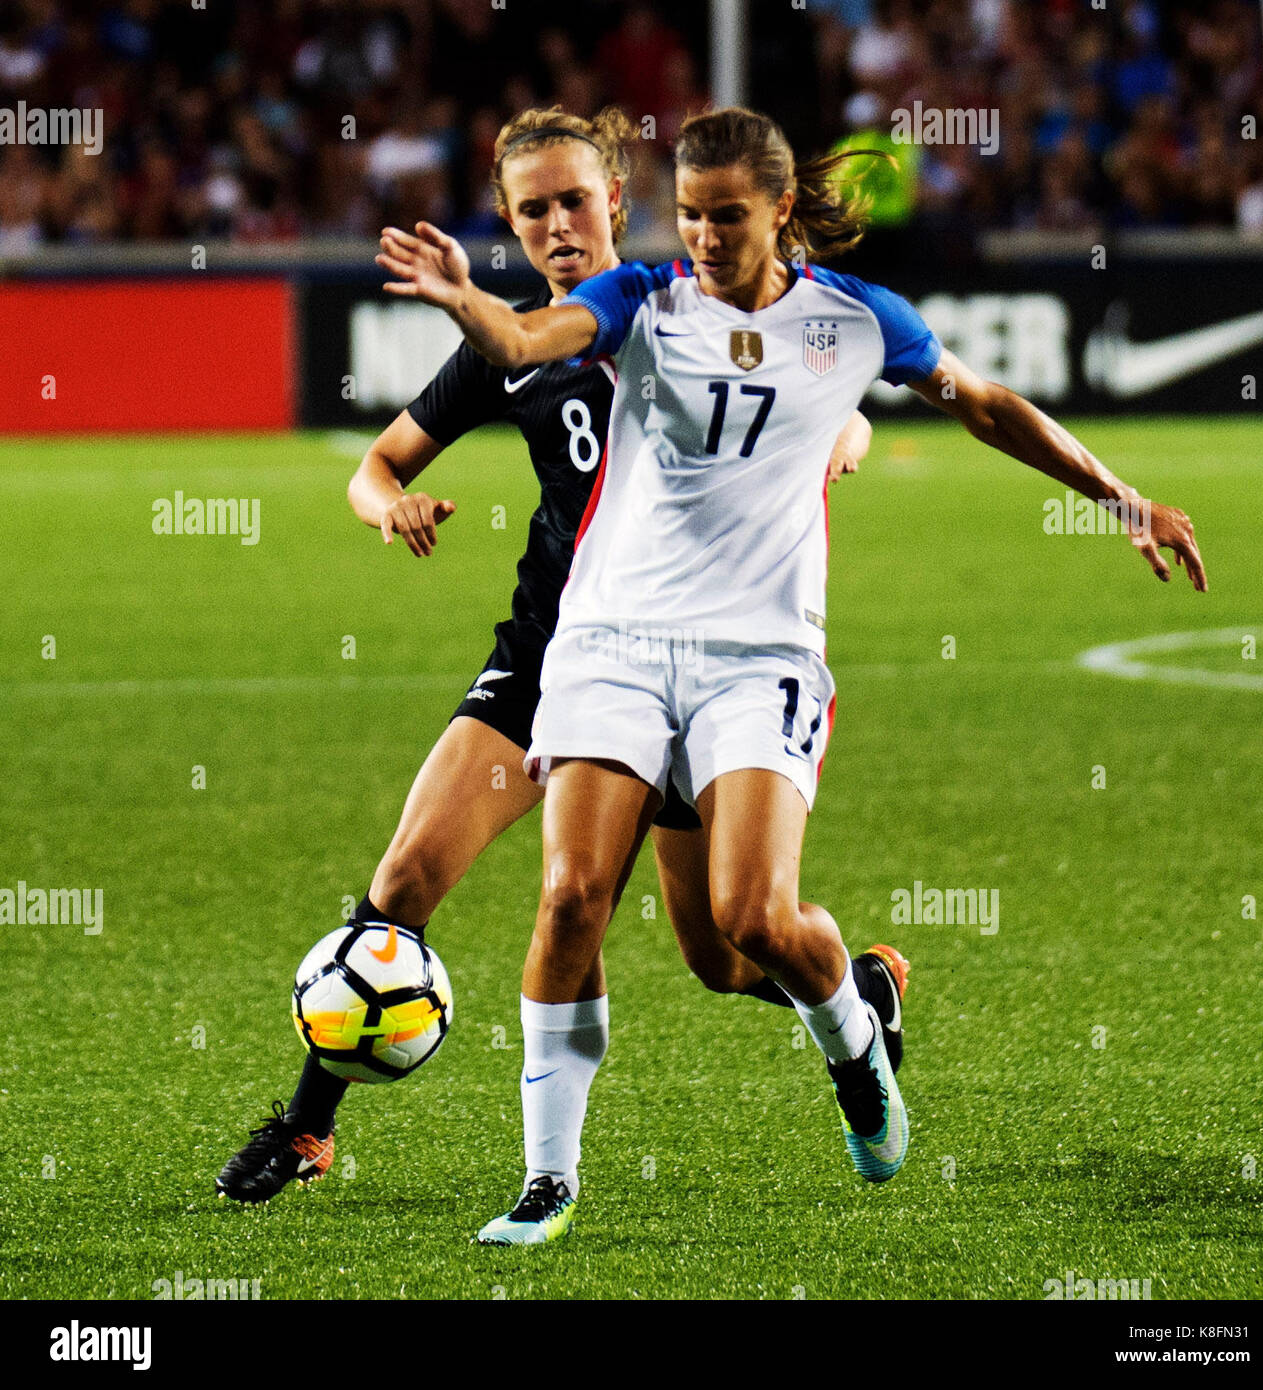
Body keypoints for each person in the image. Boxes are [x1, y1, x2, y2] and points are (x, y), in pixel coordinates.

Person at [376, 105, 1208, 1246]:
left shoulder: (857, 324)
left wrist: (1121, 498)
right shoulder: (638, 303)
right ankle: (546, 1179)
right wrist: (464, 295)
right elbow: (523, 345)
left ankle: (853, 1037)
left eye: (727, 217)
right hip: (609, 642)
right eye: (690, 216)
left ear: (776, 212)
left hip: (755, 655)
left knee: (749, 921)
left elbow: (989, 407)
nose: (706, 240)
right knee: (570, 895)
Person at [215, 106, 905, 1205]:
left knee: (722, 953)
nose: (557, 223)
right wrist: (385, 503)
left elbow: (838, 410)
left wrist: (835, 441)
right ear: (508, 222)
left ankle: (853, 990)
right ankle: (308, 1126)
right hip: (548, 658)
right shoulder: (511, 345)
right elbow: (375, 464)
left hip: (687, 653)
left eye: (575, 199)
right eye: (531, 208)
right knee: (403, 879)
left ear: (618, 202)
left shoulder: (681, 311)